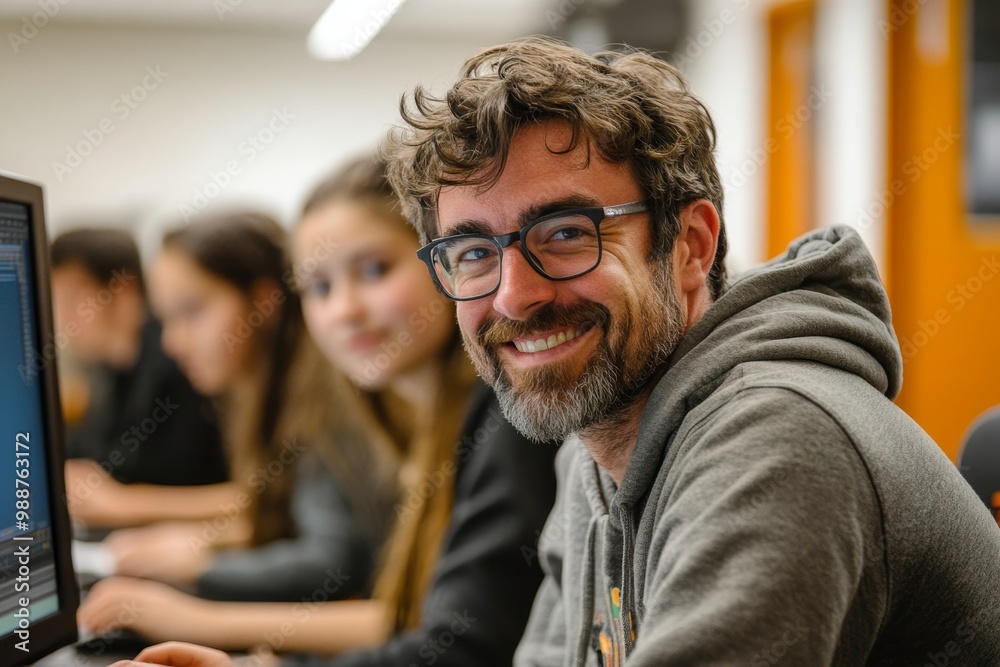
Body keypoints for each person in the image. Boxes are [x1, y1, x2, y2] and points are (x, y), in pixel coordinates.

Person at [376, 37, 1000, 665]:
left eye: (566, 233)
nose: (514, 297)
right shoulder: (589, 449)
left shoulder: (778, 442)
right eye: (475, 254)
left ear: (692, 246)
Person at [80, 157, 558, 666]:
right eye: (320, 287)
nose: (343, 310)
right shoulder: (402, 409)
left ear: (445, 260)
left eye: (375, 270)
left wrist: (201, 603)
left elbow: (457, 645)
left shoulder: (505, 413)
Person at [85, 212, 390, 602]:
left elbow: (333, 560)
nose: (172, 343)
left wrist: (203, 567)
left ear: (264, 301)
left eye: (191, 311)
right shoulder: (254, 395)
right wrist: (201, 542)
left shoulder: (324, 401)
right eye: (166, 320)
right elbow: (278, 517)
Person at [50, 228, 228, 502]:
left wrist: (121, 501)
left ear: (122, 291)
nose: (63, 320)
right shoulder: (110, 372)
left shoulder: (181, 363)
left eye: (77, 300)